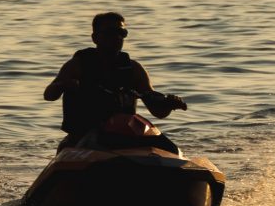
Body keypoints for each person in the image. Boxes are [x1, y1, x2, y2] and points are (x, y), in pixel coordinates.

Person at [44, 12, 188, 148]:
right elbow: (49, 96)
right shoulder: (78, 65)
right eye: (110, 33)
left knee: (170, 148)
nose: (117, 37)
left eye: (121, 33)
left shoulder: (134, 69)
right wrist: (63, 85)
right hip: (83, 136)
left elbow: (158, 112)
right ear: (95, 38)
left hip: (125, 133)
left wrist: (169, 104)